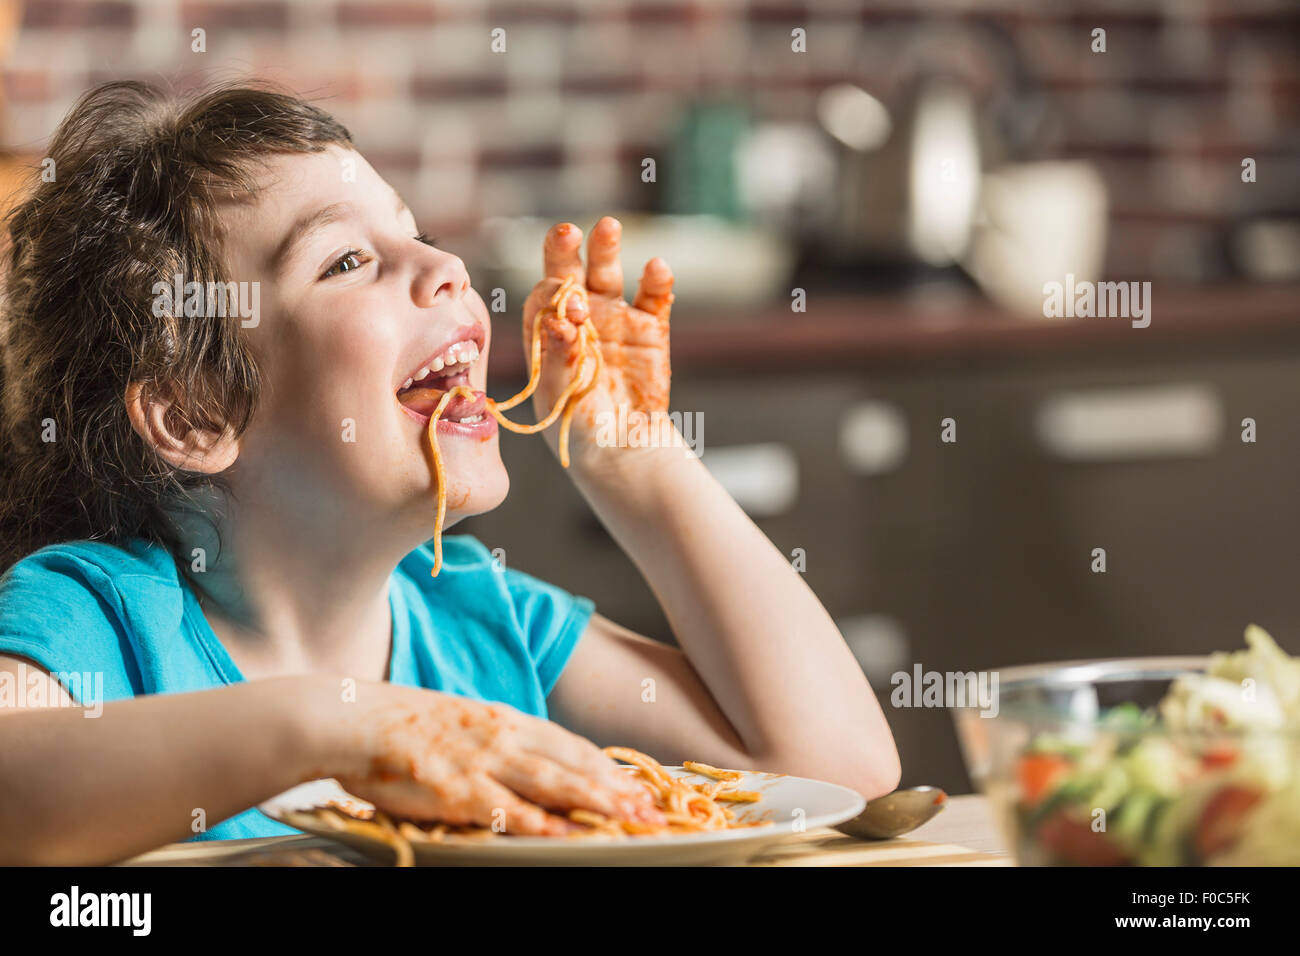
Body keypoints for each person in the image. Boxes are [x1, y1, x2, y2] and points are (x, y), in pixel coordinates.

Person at [0, 81, 899, 865]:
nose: (447, 268)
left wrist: (632, 456)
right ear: (195, 414)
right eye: (347, 261)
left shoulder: (479, 616)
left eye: (418, 234)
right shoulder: (98, 616)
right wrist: (342, 726)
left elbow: (834, 768)